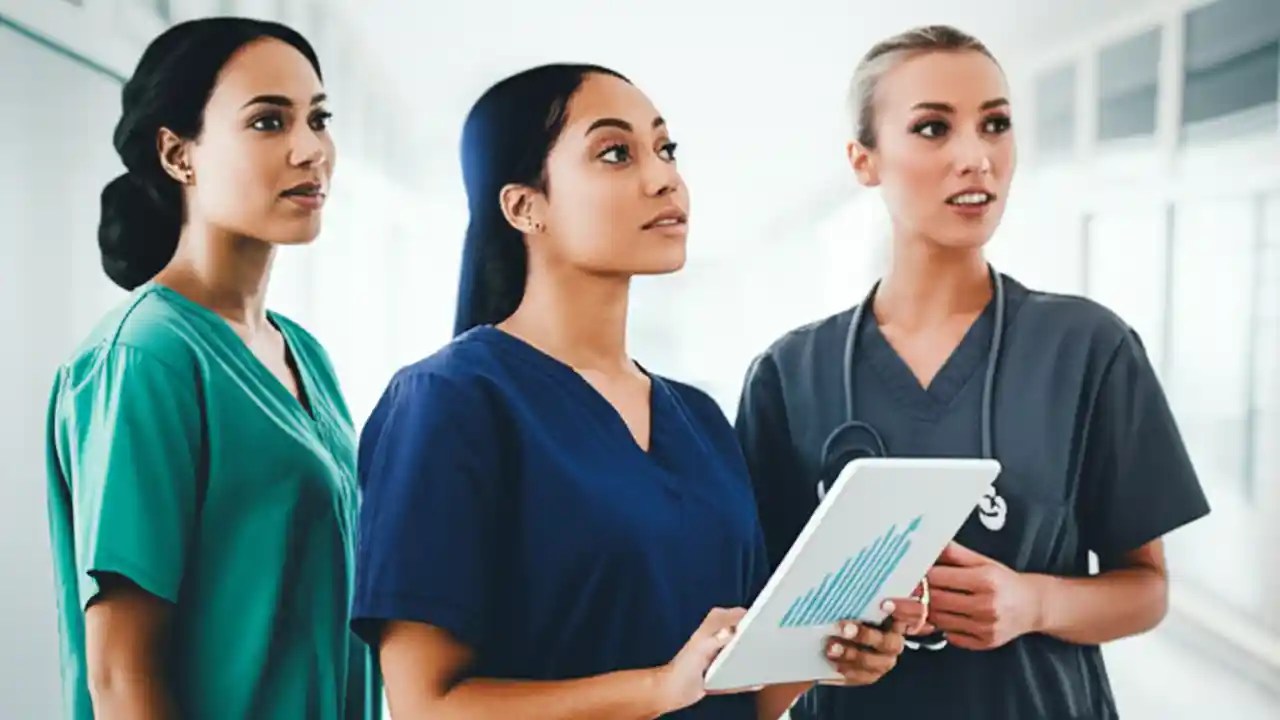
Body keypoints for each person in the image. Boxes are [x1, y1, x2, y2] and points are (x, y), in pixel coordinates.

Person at [349, 63, 919, 719]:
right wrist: (657, 688)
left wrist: (827, 654)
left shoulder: (700, 419)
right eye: (616, 153)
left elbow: (740, 695)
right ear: (524, 206)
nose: (664, 178)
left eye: (666, 149)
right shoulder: (448, 401)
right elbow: (426, 707)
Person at [734, 25, 1210, 720]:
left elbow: (1146, 590)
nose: (976, 157)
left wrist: (1034, 602)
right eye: (933, 128)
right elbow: (755, 626)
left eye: (995, 125)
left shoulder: (1087, 347)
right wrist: (831, 651)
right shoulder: (789, 375)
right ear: (864, 160)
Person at [44, 18, 378, 720]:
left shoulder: (303, 354)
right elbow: (120, 676)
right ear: (178, 154)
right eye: (268, 121)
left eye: (318, 119)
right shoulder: (146, 358)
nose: (310, 150)